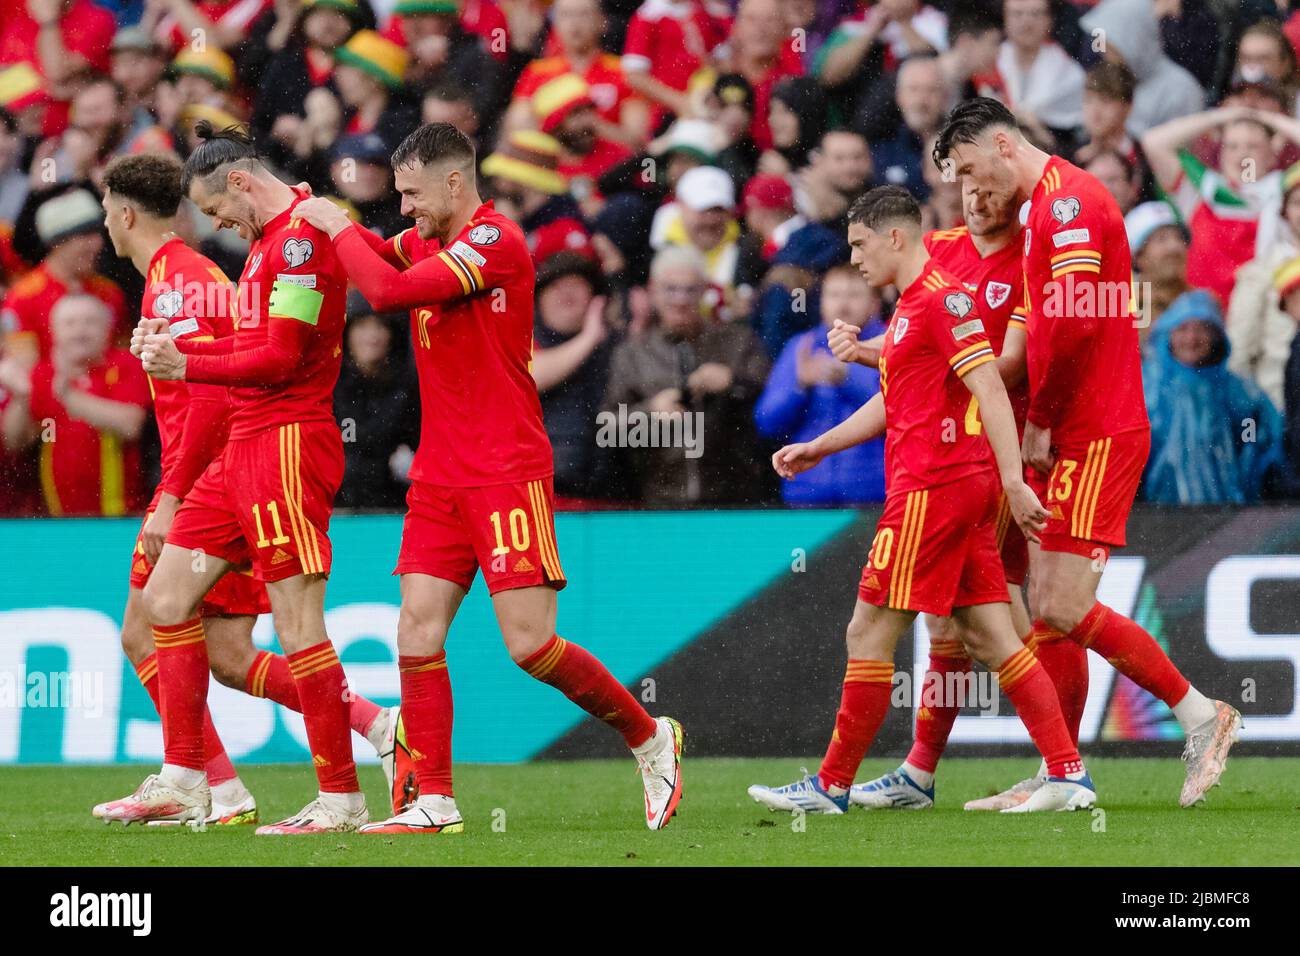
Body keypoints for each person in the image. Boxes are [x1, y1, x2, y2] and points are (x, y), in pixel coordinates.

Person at [291, 122, 685, 834]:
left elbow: (382, 290)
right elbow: (371, 257)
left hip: (505, 468)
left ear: (453, 182)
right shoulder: (424, 239)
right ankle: (434, 800)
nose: (404, 209)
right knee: (416, 627)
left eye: (411, 194)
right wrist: (296, 210)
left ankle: (650, 737)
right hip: (440, 472)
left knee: (530, 644)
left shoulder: (495, 241)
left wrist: (334, 220)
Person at [748, 185, 1095, 815]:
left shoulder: (936, 300)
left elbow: (990, 387)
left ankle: (831, 785)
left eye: (859, 245)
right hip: (957, 486)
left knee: (868, 629)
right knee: (991, 637)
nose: (854, 260)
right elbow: (899, 400)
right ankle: (1068, 772)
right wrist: (819, 445)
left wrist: (1016, 482)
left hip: (932, 490)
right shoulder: (916, 306)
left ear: (894, 237)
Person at [937, 97, 1241, 808]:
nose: (975, 189)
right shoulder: (1046, 206)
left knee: (1065, 606)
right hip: (1076, 427)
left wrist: (1039, 418)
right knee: (1047, 610)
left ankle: (1202, 713)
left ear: (1005, 144)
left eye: (977, 168)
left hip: (1094, 429)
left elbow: (1070, 324)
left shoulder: (1069, 204)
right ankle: (1062, 771)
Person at [93, 153, 407, 827]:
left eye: (215, 211)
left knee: (297, 629)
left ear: (239, 183)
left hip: (284, 445)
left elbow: (282, 356)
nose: (218, 226)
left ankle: (341, 797)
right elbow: (248, 346)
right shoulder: (267, 245)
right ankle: (186, 778)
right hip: (238, 454)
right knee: (164, 602)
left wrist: (188, 364)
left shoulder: (296, 240)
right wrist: (172, 356)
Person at [602, 245, 772, 504]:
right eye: (671, 289)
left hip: (734, 499)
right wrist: (651, 413)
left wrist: (733, 383)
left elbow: (775, 407)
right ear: (653, 291)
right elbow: (607, 427)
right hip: (659, 500)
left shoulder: (738, 341)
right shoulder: (632, 354)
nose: (681, 299)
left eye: (690, 289)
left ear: (704, 290)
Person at [5, 293, 149, 516]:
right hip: (56, 518)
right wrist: (21, 396)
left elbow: (130, 426)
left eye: (90, 322)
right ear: (54, 331)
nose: (80, 331)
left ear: (107, 328)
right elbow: (16, 441)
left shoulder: (126, 364)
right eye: (70, 323)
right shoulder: (42, 373)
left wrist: (68, 396)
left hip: (122, 516)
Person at [1142, 104, 1300, 307]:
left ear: (1272, 155)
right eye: (1232, 146)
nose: (1242, 154)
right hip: (1202, 324)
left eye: (1253, 146)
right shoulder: (1199, 192)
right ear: (1221, 154)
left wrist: (1269, 118)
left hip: (1262, 318)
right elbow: (1154, 142)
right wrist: (1221, 115)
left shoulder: (1289, 198)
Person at [754, 263, 886, 505]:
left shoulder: (890, 343)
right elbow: (766, 421)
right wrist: (799, 386)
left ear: (875, 304)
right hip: (807, 494)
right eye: (834, 295)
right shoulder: (800, 346)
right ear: (821, 302)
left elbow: (902, 412)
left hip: (875, 495)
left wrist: (847, 380)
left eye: (854, 295)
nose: (843, 304)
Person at [1142, 289, 1285, 505]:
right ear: (1168, 335)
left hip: (1226, 515)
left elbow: (1254, 433)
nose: (1191, 338)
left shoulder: (1239, 391)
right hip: (1156, 513)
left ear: (1216, 335)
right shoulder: (1147, 389)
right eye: (1182, 329)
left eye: (1202, 329)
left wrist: (1249, 451)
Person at [1, 188, 126, 367]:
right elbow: (25, 373)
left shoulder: (110, 292)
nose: (97, 244)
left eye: (97, 234)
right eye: (85, 235)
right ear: (56, 243)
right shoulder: (23, 299)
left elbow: (124, 366)